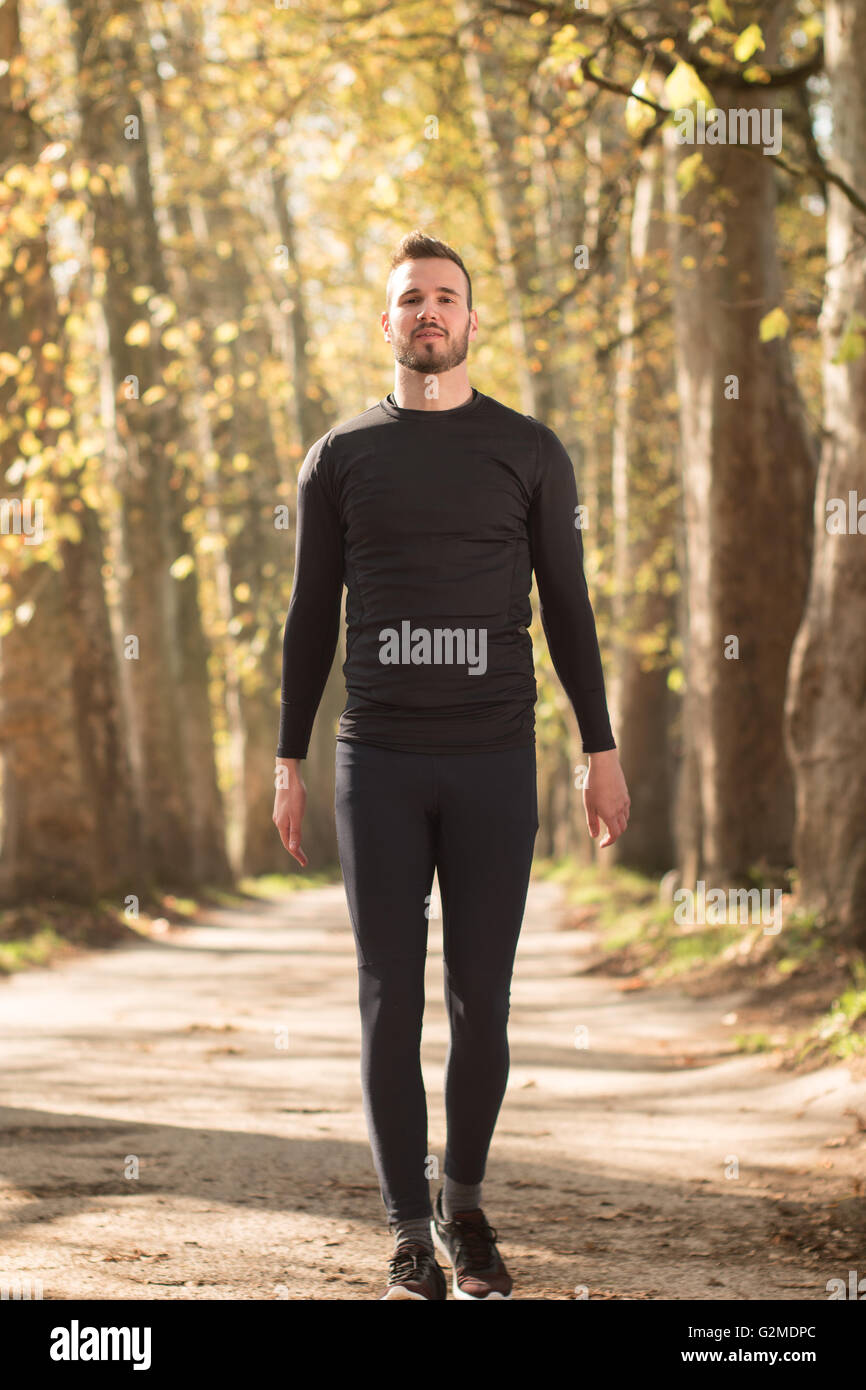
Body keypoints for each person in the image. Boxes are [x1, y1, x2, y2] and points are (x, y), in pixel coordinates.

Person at [273, 230, 630, 1300]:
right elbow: (307, 620)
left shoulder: (529, 451)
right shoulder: (339, 457)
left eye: (445, 298)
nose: (427, 313)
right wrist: (288, 757)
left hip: (490, 762)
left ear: (472, 321)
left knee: (481, 997)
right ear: (383, 324)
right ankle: (400, 1231)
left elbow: (567, 607)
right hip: (373, 759)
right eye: (409, 300)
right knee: (389, 996)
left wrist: (595, 748)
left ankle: (462, 1206)